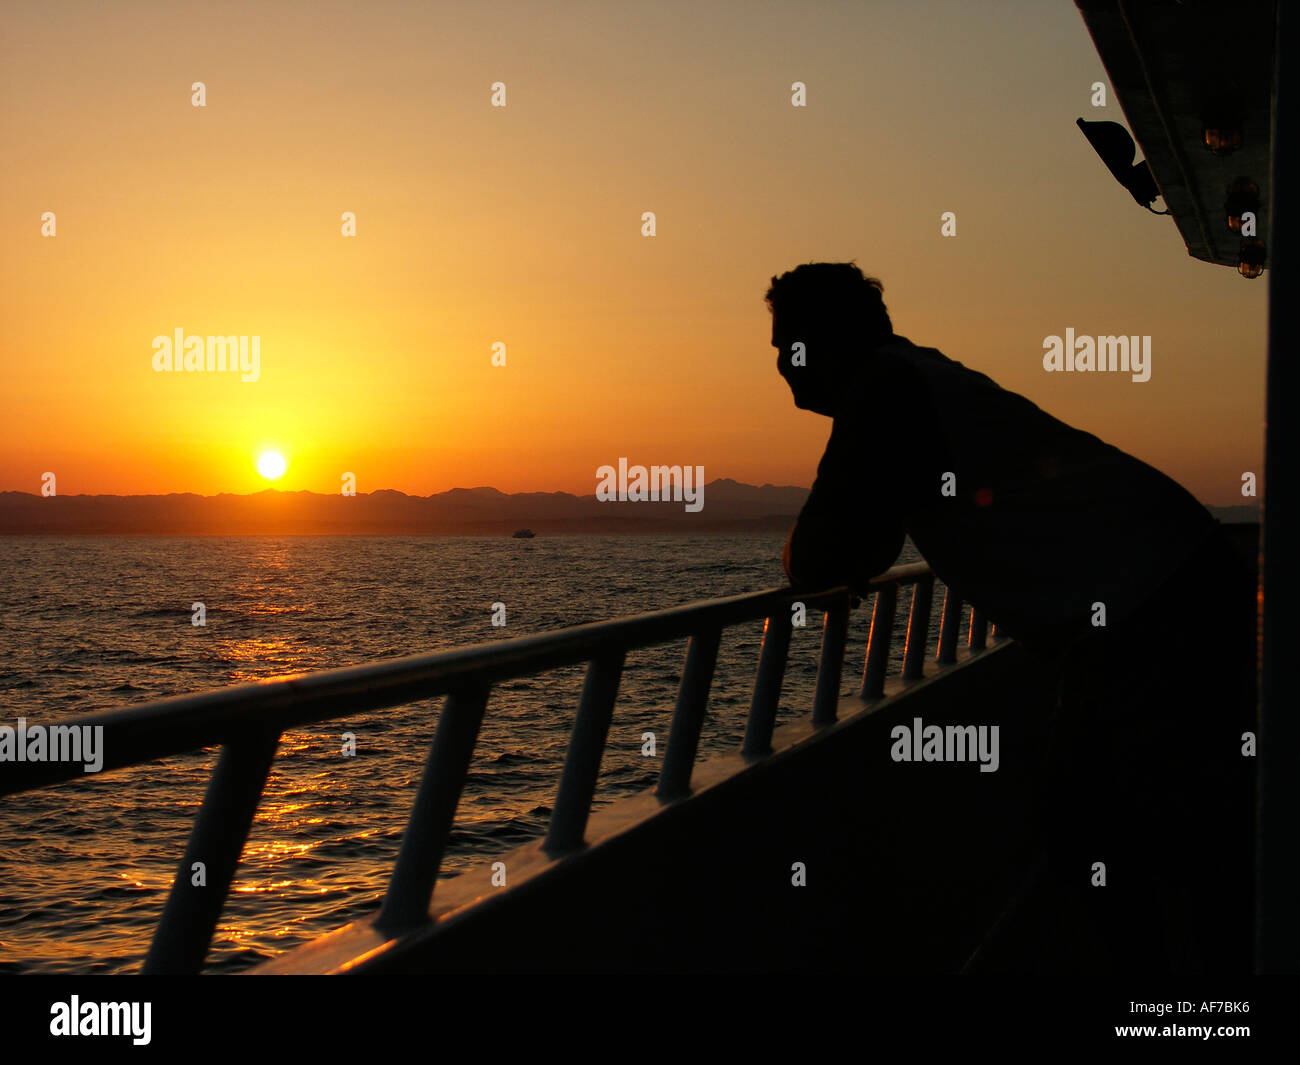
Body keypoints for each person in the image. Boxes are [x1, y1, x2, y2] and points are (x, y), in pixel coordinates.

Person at [768, 261, 1255, 973]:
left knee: (1122, 832)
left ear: (831, 339)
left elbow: (823, 557)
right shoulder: (915, 377)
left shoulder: (883, 391)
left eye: (789, 344)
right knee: (1130, 829)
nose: (781, 363)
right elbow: (863, 544)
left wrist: (797, 560)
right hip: (1169, 585)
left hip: (1150, 609)